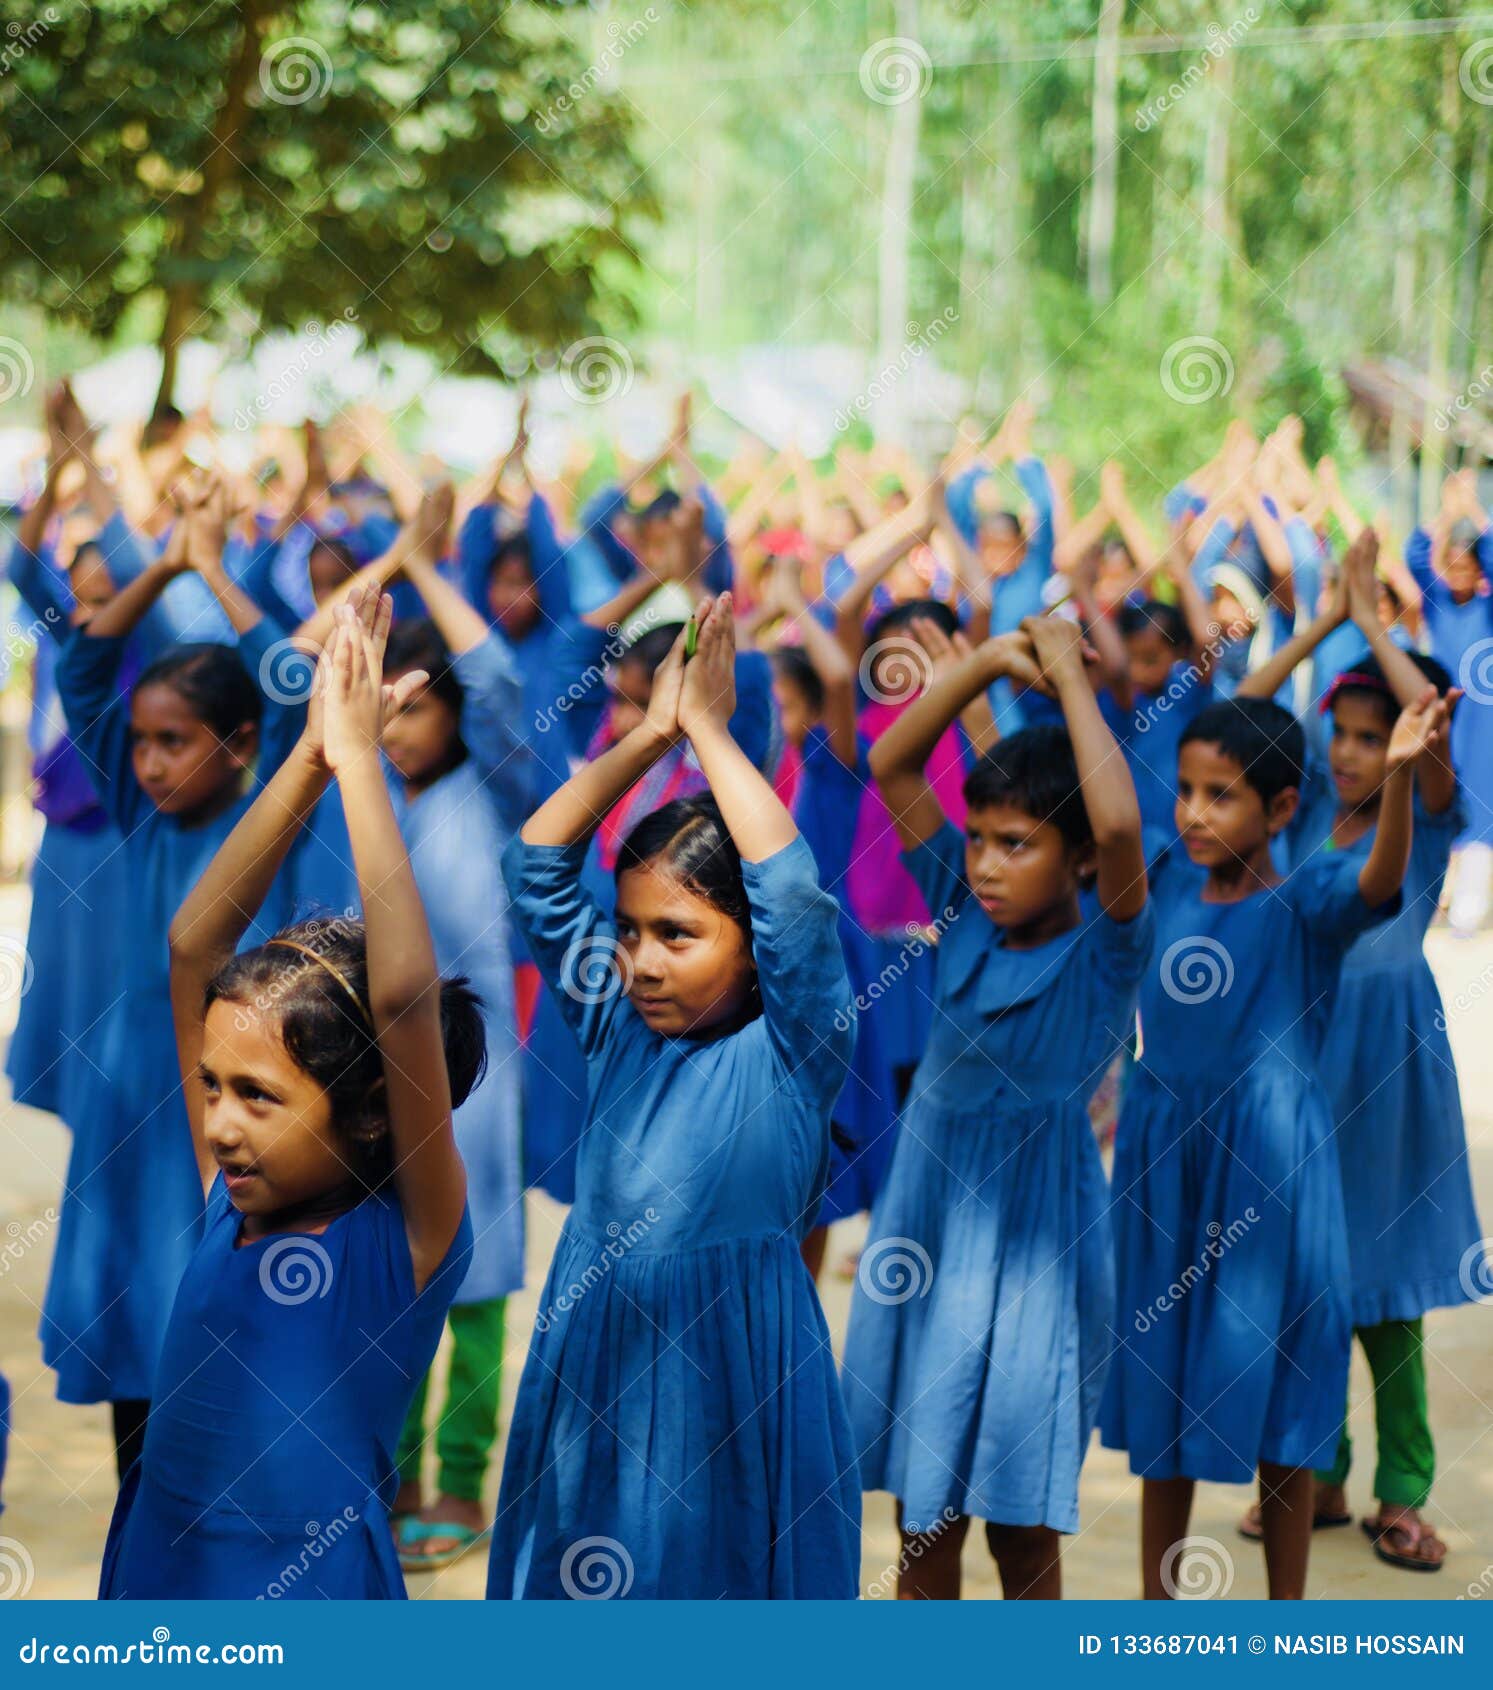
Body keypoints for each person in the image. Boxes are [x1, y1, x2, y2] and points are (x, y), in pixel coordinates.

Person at [100, 590, 477, 1598]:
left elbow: (402, 999)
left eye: (259, 1098)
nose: (220, 1124)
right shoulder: (228, 1203)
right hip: (163, 1567)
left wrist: (358, 764)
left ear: (369, 1108)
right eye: (213, 1087)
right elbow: (194, 947)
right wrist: (308, 755)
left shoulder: (405, 1244)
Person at [488, 591, 861, 1599]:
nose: (643, 961)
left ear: (754, 950)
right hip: (601, 1363)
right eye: (630, 930)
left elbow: (790, 895)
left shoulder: (794, 1049)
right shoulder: (615, 1022)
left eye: (680, 935)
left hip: (732, 1381)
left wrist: (711, 734)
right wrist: (652, 734)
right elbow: (537, 865)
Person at [1101, 683, 1450, 1601]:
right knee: (1164, 1390)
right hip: (1164, 1171)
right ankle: (1157, 1612)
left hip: (1271, 1178)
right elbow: (1109, 827)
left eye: (1220, 795)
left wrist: (1399, 781)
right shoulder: (1165, 880)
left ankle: (1282, 1621)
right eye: (1186, 790)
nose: (1193, 812)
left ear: (1283, 807)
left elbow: (1377, 882)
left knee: (1287, 1406)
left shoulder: (1307, 900)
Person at [841, 613, 1152, 1599]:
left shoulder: (1106, 949)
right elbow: (891, 762)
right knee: (921, 1520)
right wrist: (981, 661)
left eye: (1015, 845)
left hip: (1034, 1249)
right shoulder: (961, 910)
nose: (982, 863)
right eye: (976, 838)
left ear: (1079, 863)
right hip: (927, 1233)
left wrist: (1067, 677)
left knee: (1020, 1530)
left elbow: (1117, 827)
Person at [1229, 532, 1481, 1571]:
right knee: (1307, 1276)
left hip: (1388, 1065)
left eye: (1371, 735)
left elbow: (1428, 724)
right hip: (1301, 1055)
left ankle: (1402, 1489)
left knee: (1389, 1283)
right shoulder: (1294, 814)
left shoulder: (1421, 815)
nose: (1346, 751)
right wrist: (1323, 621)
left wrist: (1374, 624)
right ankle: (1316, 1472)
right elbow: (1240, 711)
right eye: (1338, 733)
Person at [43, 486, 300, 1474]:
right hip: (131, 1097)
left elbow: (291, 690)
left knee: (215, 1320)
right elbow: (82, 664)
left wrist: (217, 575)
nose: (148, 763)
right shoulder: (140, 808)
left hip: (229, 1096)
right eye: (141, 741)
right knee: (132, 1335)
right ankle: (139, 1534)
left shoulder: (273, 811)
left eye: (175, 741)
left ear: (240, 746)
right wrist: (163, 563)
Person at [381, 492, 531, 1572]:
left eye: (413, 709)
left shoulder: (493, 786)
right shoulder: (367, 796)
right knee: (389, 1274)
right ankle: (387, 1478)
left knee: (473, 1275)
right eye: (381, 711)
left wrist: (423, 565)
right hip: (380, 1072)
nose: (394, 729)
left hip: (476, 1078)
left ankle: (463, 1482)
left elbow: (500, 679)